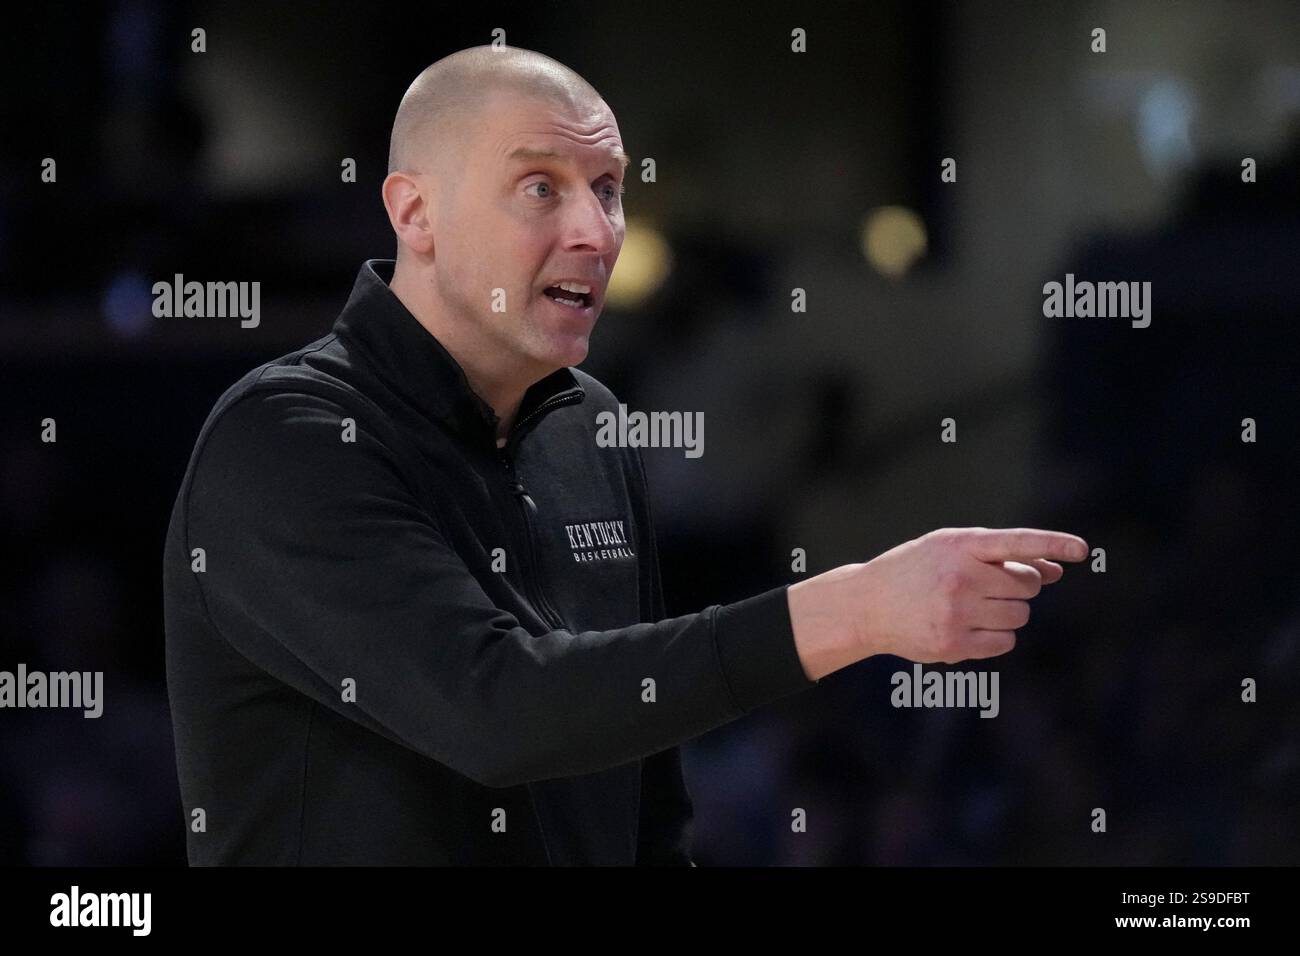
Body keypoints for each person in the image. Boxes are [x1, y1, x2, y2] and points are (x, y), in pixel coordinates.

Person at [162, 44, 1088, 866]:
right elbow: (496, 711)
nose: (596, 231)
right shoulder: (289, 437)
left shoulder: (587, 428)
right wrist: (852, 609)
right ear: (416, 214)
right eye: (541, 187)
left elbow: (646, 803)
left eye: (607, 189)